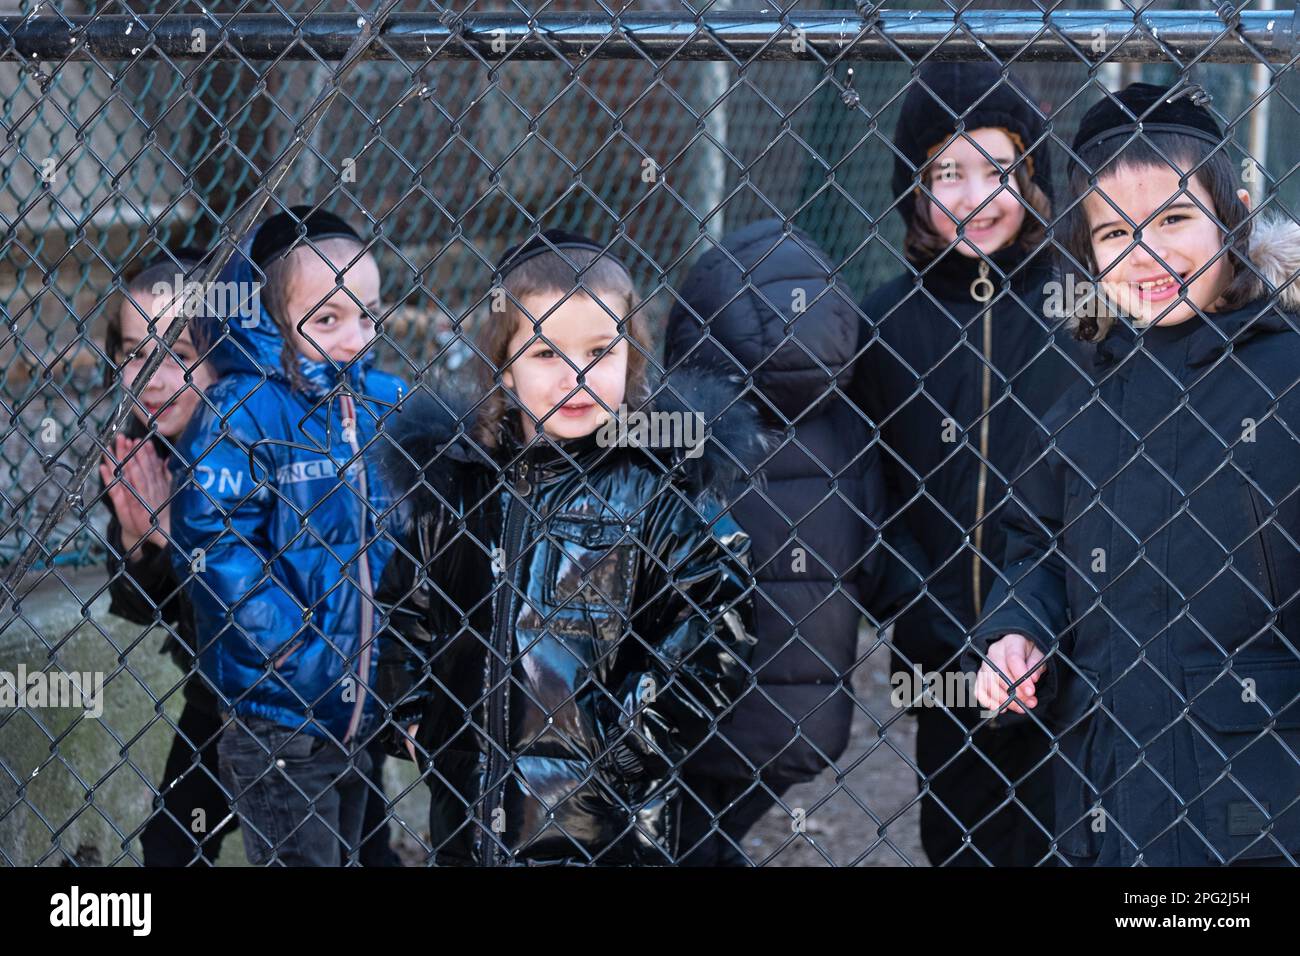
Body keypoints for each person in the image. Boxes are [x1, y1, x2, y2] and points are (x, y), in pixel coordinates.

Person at [970, 82, 1300, 866]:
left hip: (1261, 790)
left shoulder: (1288, 376)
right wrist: (1018, 629)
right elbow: (1038, 543)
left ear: (1237, 212)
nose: (1147, 255)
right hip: (1105, 786)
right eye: (1116, 232)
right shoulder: (1086, 389)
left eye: (1176, 218)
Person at [374, 228, 766, 865]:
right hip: (470, 814)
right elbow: (404, 609)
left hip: (604, 826)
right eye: (545, 354)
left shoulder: (657, 491)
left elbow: (717, 626)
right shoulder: (460, 488)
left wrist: (628, 747)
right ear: (504, 367)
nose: (576, 376)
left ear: (632, 361)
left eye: (599, 351)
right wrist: (417, 720)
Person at [849, 61, 1092, 865]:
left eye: (999, 170)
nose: (975, 195)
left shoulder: (1083, 304)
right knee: (961, 842)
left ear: (1033, 176)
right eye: (946, 172)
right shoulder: (885, 324)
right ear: (913, 187)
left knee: (1074, 836)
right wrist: (927, 615)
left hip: (1074, 649)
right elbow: (868, 494)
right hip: (946, 664)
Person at [663, 218, 922, 864]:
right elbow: (874, 558)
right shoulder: (850, 429)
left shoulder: (685, 428)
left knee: (682, 832)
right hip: (802, 724)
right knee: (710, 834)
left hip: (696, 713)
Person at [169, 206, 406, 866]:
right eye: (327, 319)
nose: (355, 336)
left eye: (368, 314)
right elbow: (214, 544)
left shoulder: (382, 403)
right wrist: (292, 652)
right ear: (265, 320)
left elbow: (406, 538)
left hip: (359, 706)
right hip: (281, 717)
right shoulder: (242, 411)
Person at [98, 247, 234, 865]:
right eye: (134, 353)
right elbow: (143, 604)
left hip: (306, 695)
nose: (152, 376)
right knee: (173, 847)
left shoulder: (259, 441)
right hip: (221, 694)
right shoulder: (147, 451)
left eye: (179, 356)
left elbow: (273, 593)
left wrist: (175, 532)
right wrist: (137, 539)